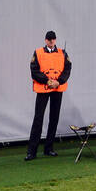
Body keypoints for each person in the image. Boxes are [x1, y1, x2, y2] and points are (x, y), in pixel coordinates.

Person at [26, 30, 70, 160]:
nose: (51, 41)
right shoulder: (38, 52)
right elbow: (34, 70)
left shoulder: (63, 53)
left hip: (57, 88)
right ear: (45, 40)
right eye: (49, 39)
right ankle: (31, 152)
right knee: (38, 119)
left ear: (55, 40)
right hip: (43, 88)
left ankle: (49, 148)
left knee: (54, 118)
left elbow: (67, 69)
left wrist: (58, 82)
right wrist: (47, 81)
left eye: (53, 39)